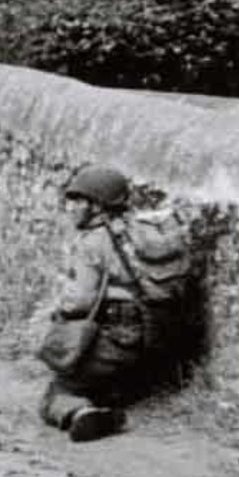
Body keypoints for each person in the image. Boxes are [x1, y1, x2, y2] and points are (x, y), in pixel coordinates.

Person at [32, 164, 172, 443]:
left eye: (78, 201)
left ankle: (81, 413)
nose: (70, 207)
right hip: (156, 334)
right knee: (104, 376)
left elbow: (79, 302)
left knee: (57, 393)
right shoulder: (139, 231)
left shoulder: (94, 242)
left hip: (115, 335)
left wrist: (54, 312)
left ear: (97, 206)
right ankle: (109, 396)